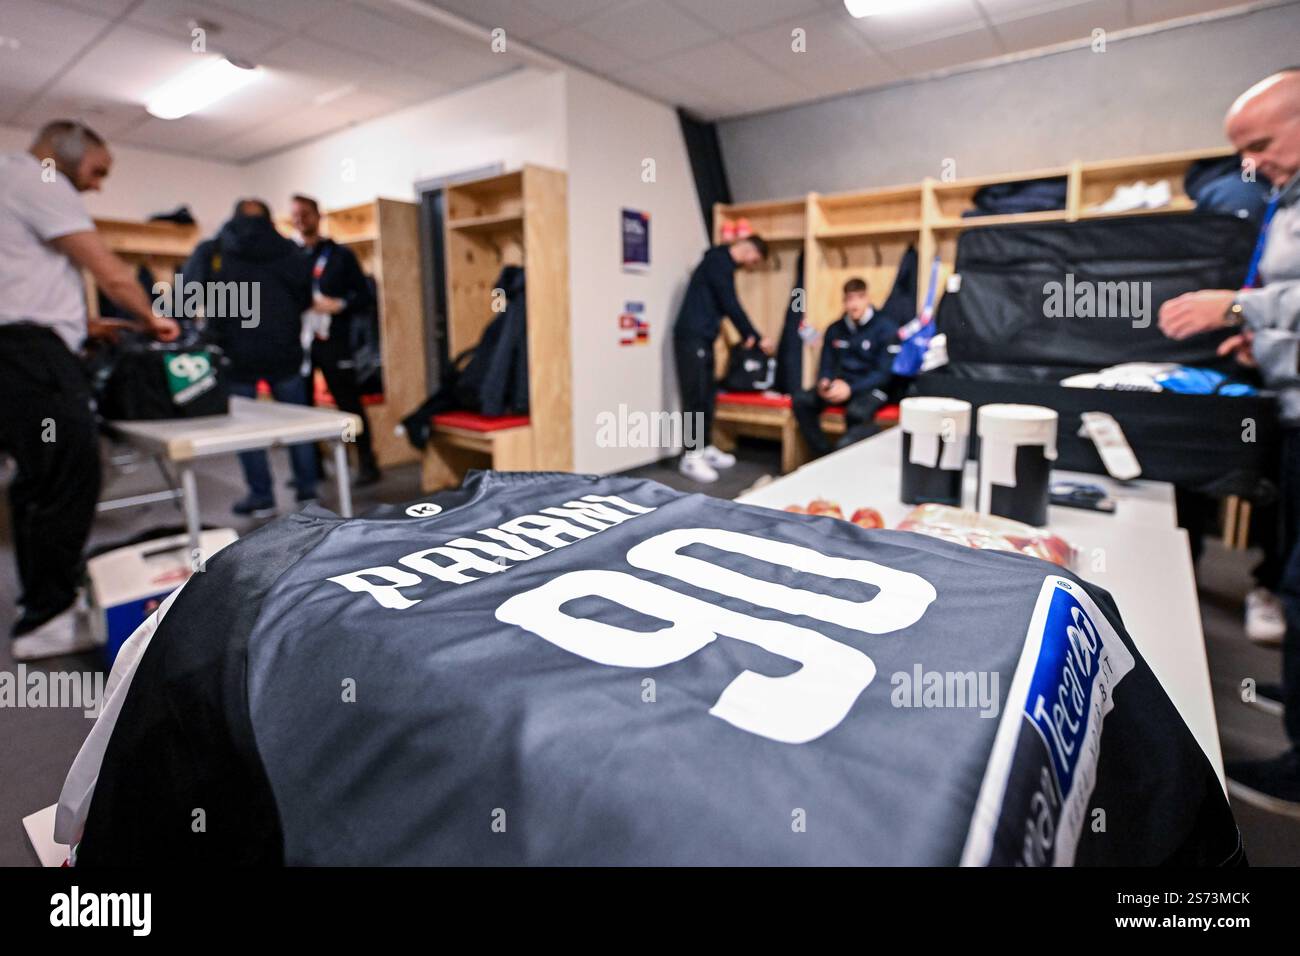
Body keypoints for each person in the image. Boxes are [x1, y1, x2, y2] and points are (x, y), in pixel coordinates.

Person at [1158, 68, 1300, 813]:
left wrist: (1238, 307)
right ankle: (1296, 691)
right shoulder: (1285, 199)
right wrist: (1263, 343)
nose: (1253, 165)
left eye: (1261, 144)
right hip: (1291, 408)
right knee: (1291, 566)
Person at [0, 120, 179, 660]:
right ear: (65, 152)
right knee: (68, 475)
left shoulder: (8, 180)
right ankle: (46, 618)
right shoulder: (43, 180)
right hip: (34, 356)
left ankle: (41, 598)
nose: (98, 185)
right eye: (98, 171)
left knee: (37, 480)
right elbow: (108, 271)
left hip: (18, 353)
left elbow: (23, 286)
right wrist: (154, 320)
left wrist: (86, 327)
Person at [182, 199, 316, 517]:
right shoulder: (290, 251)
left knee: (245, 429)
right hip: (284, 349)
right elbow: (305, 298)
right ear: (270, 219)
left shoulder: (213, 251)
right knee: (300, 425)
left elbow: (185, 299)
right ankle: (308, 493)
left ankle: (262, 496)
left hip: (234, 352)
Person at [291, 194, 381, 487]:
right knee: (301, 407)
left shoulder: (339, 256)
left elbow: (364, 296)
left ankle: (367, 462)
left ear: (318, 215)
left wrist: (339, 304)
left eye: (305, 213)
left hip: (334, 340)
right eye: (296, 215)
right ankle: (311, 467)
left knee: (348, 403)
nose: (300, 220)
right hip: (300, 342)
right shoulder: (290, 257)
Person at [673, 235, 774, 483]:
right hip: (691, 337)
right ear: (749, 250)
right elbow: (730, 303)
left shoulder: (721, 263)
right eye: (754, 260)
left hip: (705, 340)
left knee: (708, 395)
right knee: (695, 397)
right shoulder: (718, 262)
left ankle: (705, 447)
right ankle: (691, 456)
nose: (751, 265)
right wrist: (754, 335)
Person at [792, 277, 899, 458]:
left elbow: (884, 373)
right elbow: (826, 364)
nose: (854, 304)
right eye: (849, 299)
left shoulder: (886, 328)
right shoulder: (835, 329)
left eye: (859, 297)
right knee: (802, 401)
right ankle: (823, 456)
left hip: (870, 388)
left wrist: (851, 389)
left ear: (867, 299)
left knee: (857, 414)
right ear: (844, 301)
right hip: (839, 385)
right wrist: (824, 382)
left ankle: (848, 461)